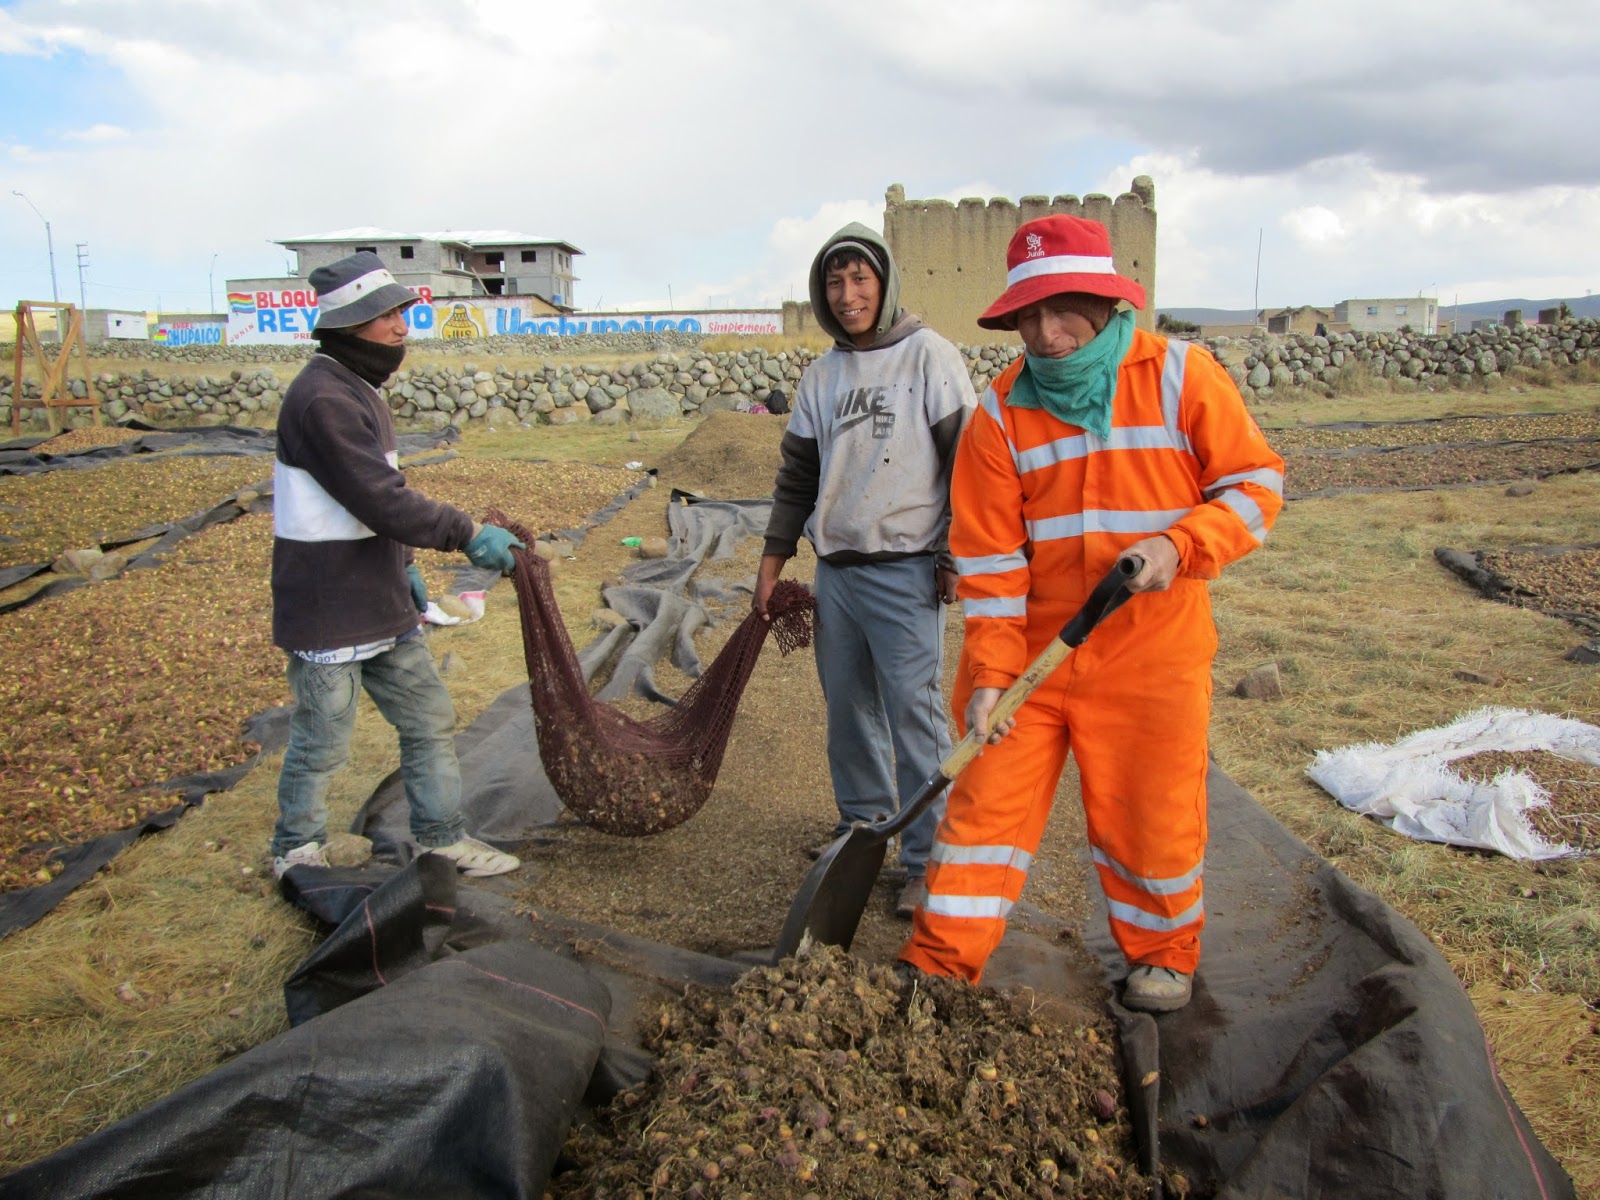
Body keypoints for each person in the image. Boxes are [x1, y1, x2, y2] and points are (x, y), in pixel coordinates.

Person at [897, 214, 1284, 1011]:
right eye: (1029, 314)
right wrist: (990, 677)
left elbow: (1257, 489)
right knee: (982, 808)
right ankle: (939, 963)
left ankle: (1163, 954)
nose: (1047, 331)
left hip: (1152, 651)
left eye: (1064, 306)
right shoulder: (1000, 414)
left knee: (1151, 815)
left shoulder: (1183, 376)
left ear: (1105, 301)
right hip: (1033, 655)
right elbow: (992, 562)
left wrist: (1184, 542)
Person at [269, 251, 527, 882]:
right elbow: (378, 496)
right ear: (346, 324)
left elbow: (377, 495)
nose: (399, 325)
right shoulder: (321, 398)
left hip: (379, 597)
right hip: (329, 606)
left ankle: (442, 839)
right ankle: (296, 850)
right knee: (323, 740)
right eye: (383, 315)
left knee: (428, 718)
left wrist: (405, 564)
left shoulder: (360, 391)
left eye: (401, 311)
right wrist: (464, 533)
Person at [754, 223, 976, 919]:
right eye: (834, 281)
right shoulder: (822, 376)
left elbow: (968, 469)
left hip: (908, 569)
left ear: (884, 284)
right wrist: (771, 563)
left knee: (916, 715)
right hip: (838, 574)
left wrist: (953, 555)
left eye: (860, 279)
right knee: (848, 711)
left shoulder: (930, 359)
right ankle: (863, 833)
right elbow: (798, 479)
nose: (847, 295)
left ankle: (928, 861)